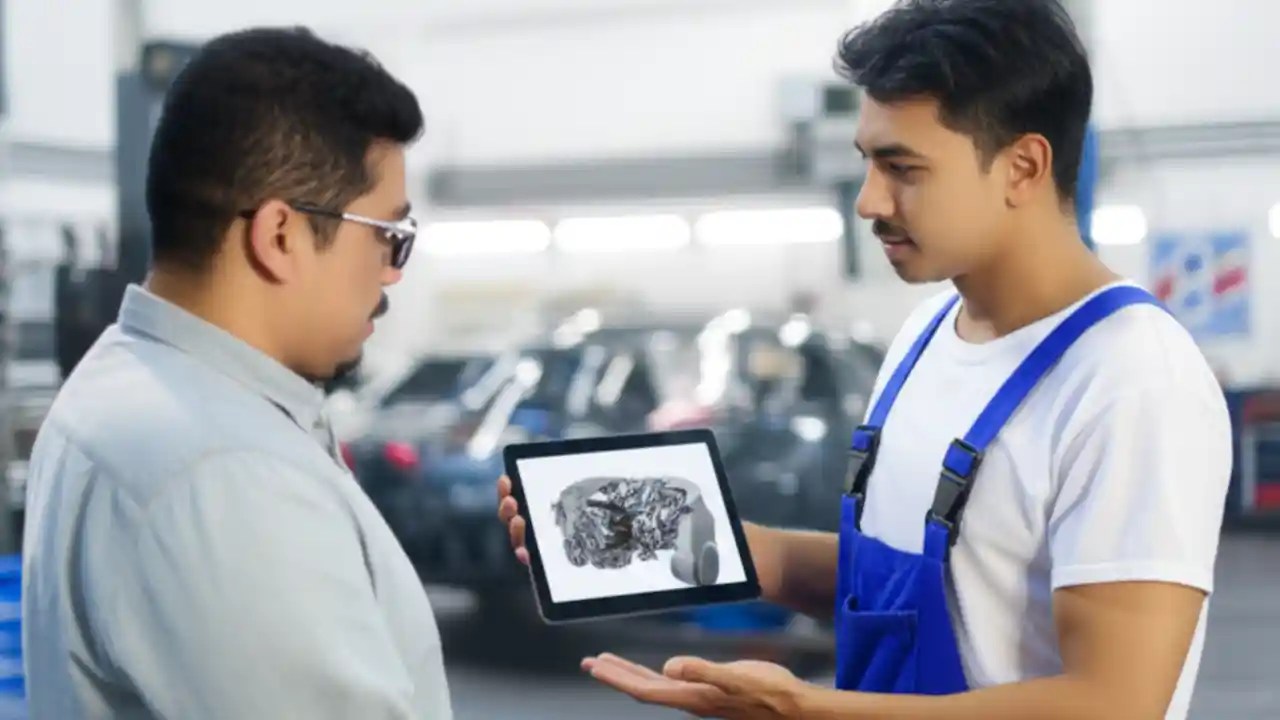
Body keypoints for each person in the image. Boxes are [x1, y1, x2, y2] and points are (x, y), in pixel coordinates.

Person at [497, 1, 1232, 718]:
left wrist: (812, 708)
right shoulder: (924, 335)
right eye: (867, 163)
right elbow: (912, 584)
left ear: (1022, 166)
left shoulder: (1130, 380)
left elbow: (1114, 702)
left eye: (902, 167)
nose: (869, 201)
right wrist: (668, 535)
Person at [22, 27, 453, 719]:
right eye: (387, 236)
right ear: (280, 236)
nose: (392, 273)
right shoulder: (225, 473)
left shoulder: (125, 382)